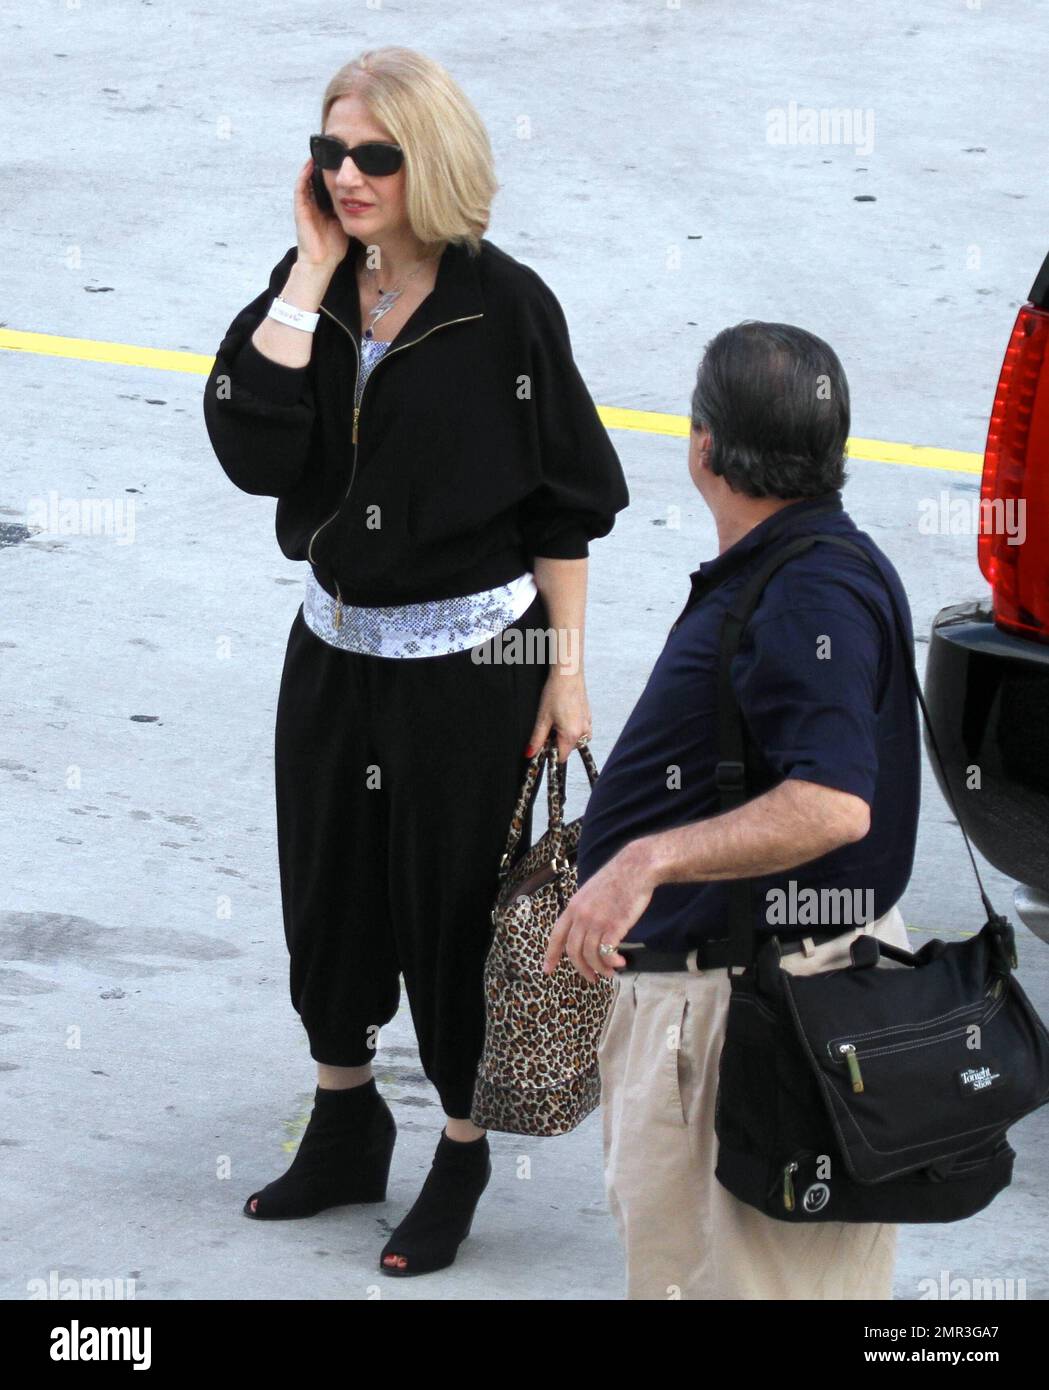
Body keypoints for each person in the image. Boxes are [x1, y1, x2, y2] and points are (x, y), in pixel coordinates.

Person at [202, 46, 628, 1277]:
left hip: (471, 668)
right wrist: (312, 273)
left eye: (373, 156)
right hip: (332, 652)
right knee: (326, 891)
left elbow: (564, 506)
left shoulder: (508, 307)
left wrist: (564, 669)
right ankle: (344, 1117)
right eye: (329, 152)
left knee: (450, 913)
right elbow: (247, 444)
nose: (344, 174)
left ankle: (458, 1141)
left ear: (428, 160)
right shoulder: (312, 290)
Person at [544, 321, 920, 1300]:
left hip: (744, 1016)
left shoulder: (805, 595)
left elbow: (832, 803)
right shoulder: (813, 562)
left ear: (701, 447)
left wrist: (643, 862)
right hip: (771, 989)